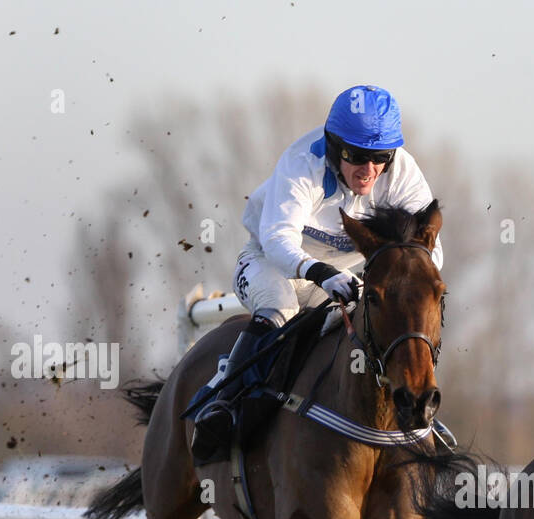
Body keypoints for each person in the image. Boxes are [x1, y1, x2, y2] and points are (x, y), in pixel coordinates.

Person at [190, 84, 444, 465]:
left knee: (387, 315)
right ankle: (223, 399)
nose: (369, 169)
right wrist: (319, 272)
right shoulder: (301, 163)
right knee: (281, 305)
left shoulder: (403, 171)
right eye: (357, 155)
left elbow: (431, 250)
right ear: (333, 145)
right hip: (272, 265)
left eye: (380, 157)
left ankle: (413, 409)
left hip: (343, 275)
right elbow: (277, 239)